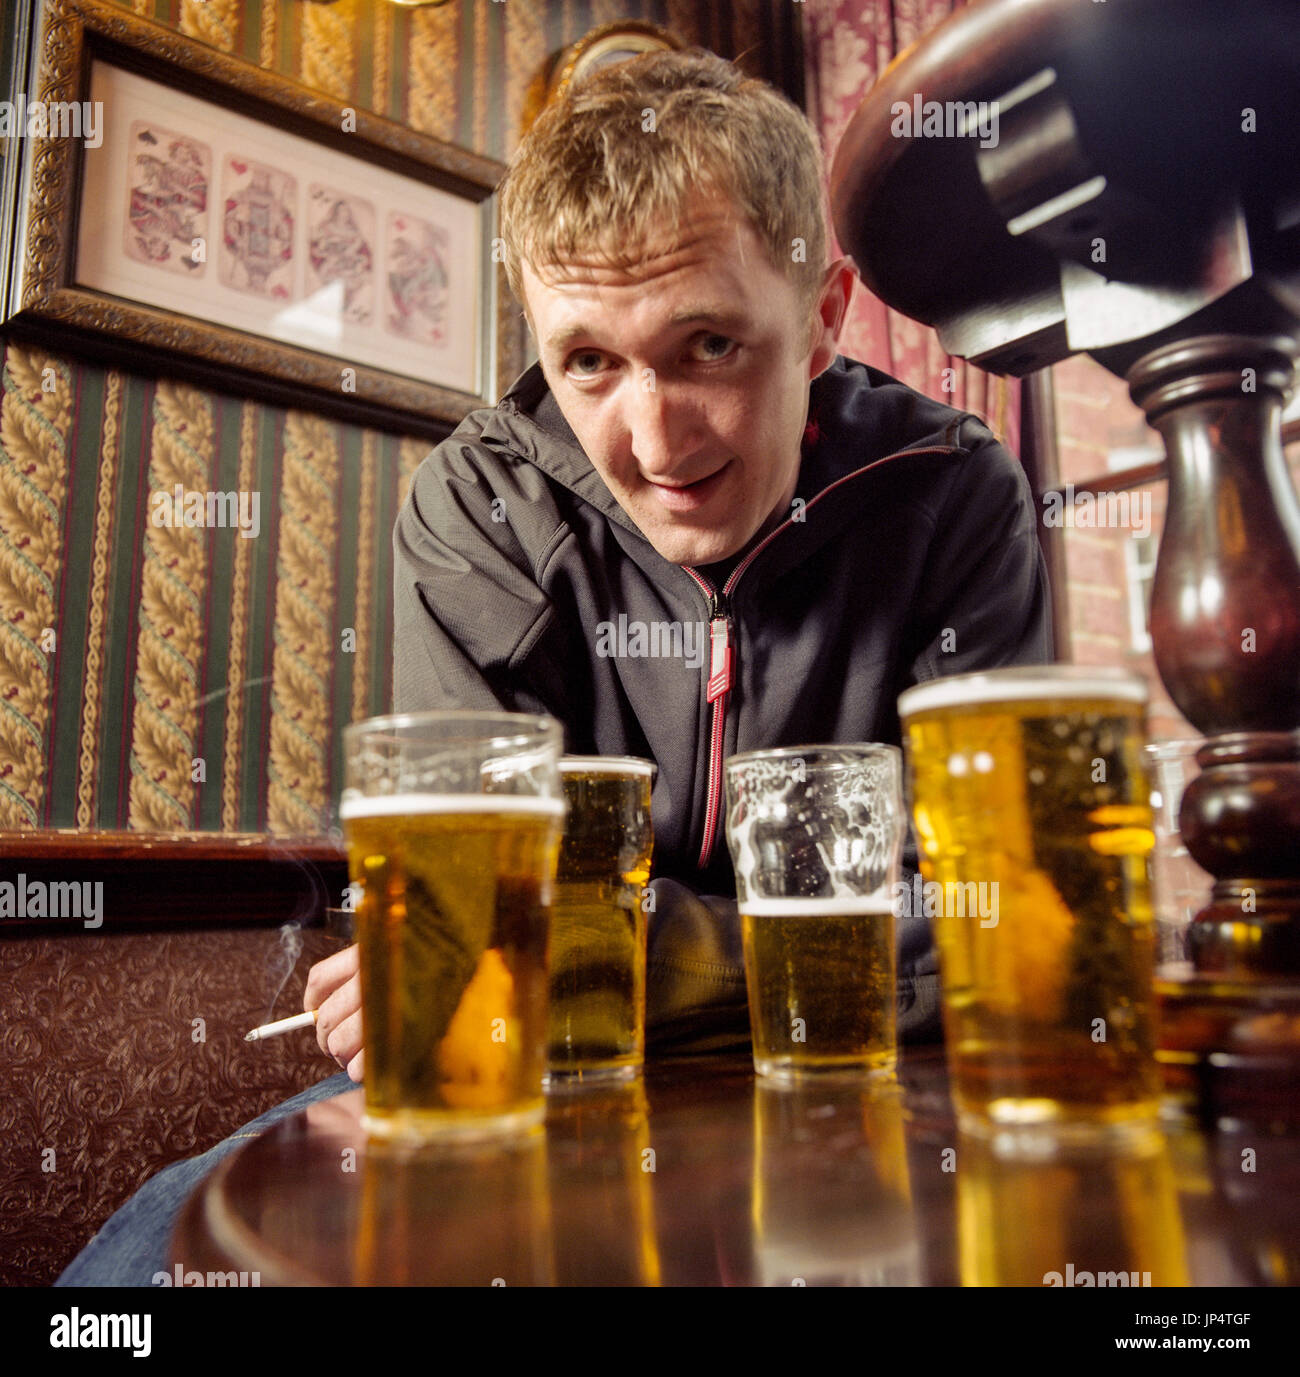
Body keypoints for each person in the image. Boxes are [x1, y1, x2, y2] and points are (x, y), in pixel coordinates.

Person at [57, 46, 1049, 1286]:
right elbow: (483, 957)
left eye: (709, 347)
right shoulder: (475, 505)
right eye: (588, 361)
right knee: (136, 1285)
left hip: (874, 1090)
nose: (654, 441)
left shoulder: (955, 493)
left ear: (823, 318)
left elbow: (988, 933)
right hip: (542, 1091)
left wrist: (634, 952)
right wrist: (729, 956)